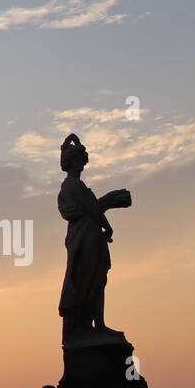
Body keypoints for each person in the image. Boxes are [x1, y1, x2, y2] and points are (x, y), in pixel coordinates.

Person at [57, 134, 131, 340]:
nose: (83, 164)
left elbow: (90, 209)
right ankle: (91, 325)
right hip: (85, 238)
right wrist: (107, 226)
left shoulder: (70, 187)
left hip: (83, 237)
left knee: (92, 279)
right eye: (80, 160)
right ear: (74, 162)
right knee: (89, 279)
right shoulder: (74, 186)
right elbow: (93, 210)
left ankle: (95, 324)